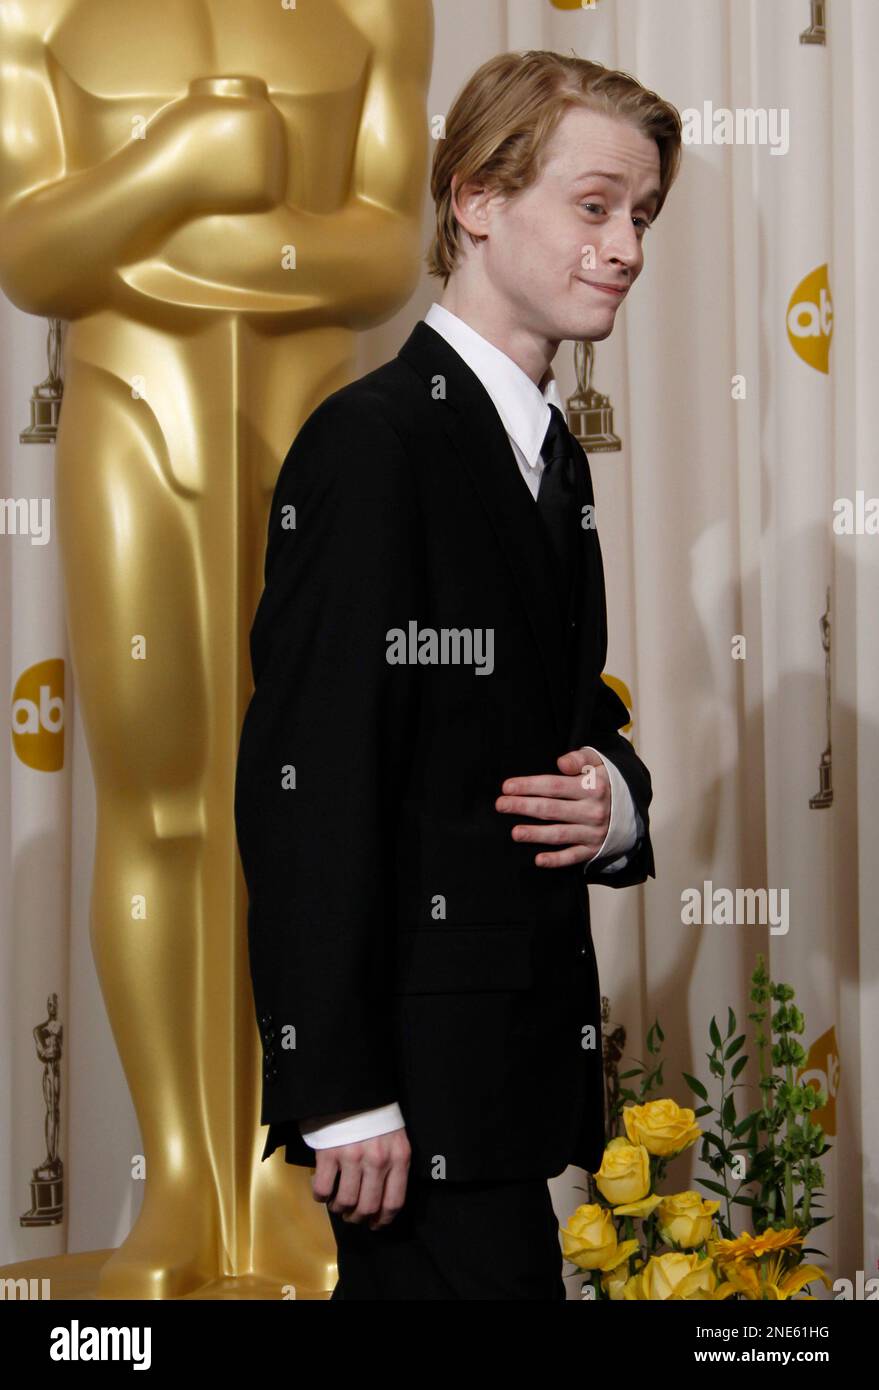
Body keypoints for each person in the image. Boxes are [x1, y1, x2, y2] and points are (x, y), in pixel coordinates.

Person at [234, 49, 681, 1300]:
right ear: (477, 201)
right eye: (594, 206)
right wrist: (339, 1090)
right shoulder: (374, 444)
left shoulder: (551, 457)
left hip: (504, 1085)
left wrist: (617, 792)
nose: (628, 247)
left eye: (640, 215)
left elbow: (560, 713)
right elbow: (303, 781)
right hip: (405, 1115)